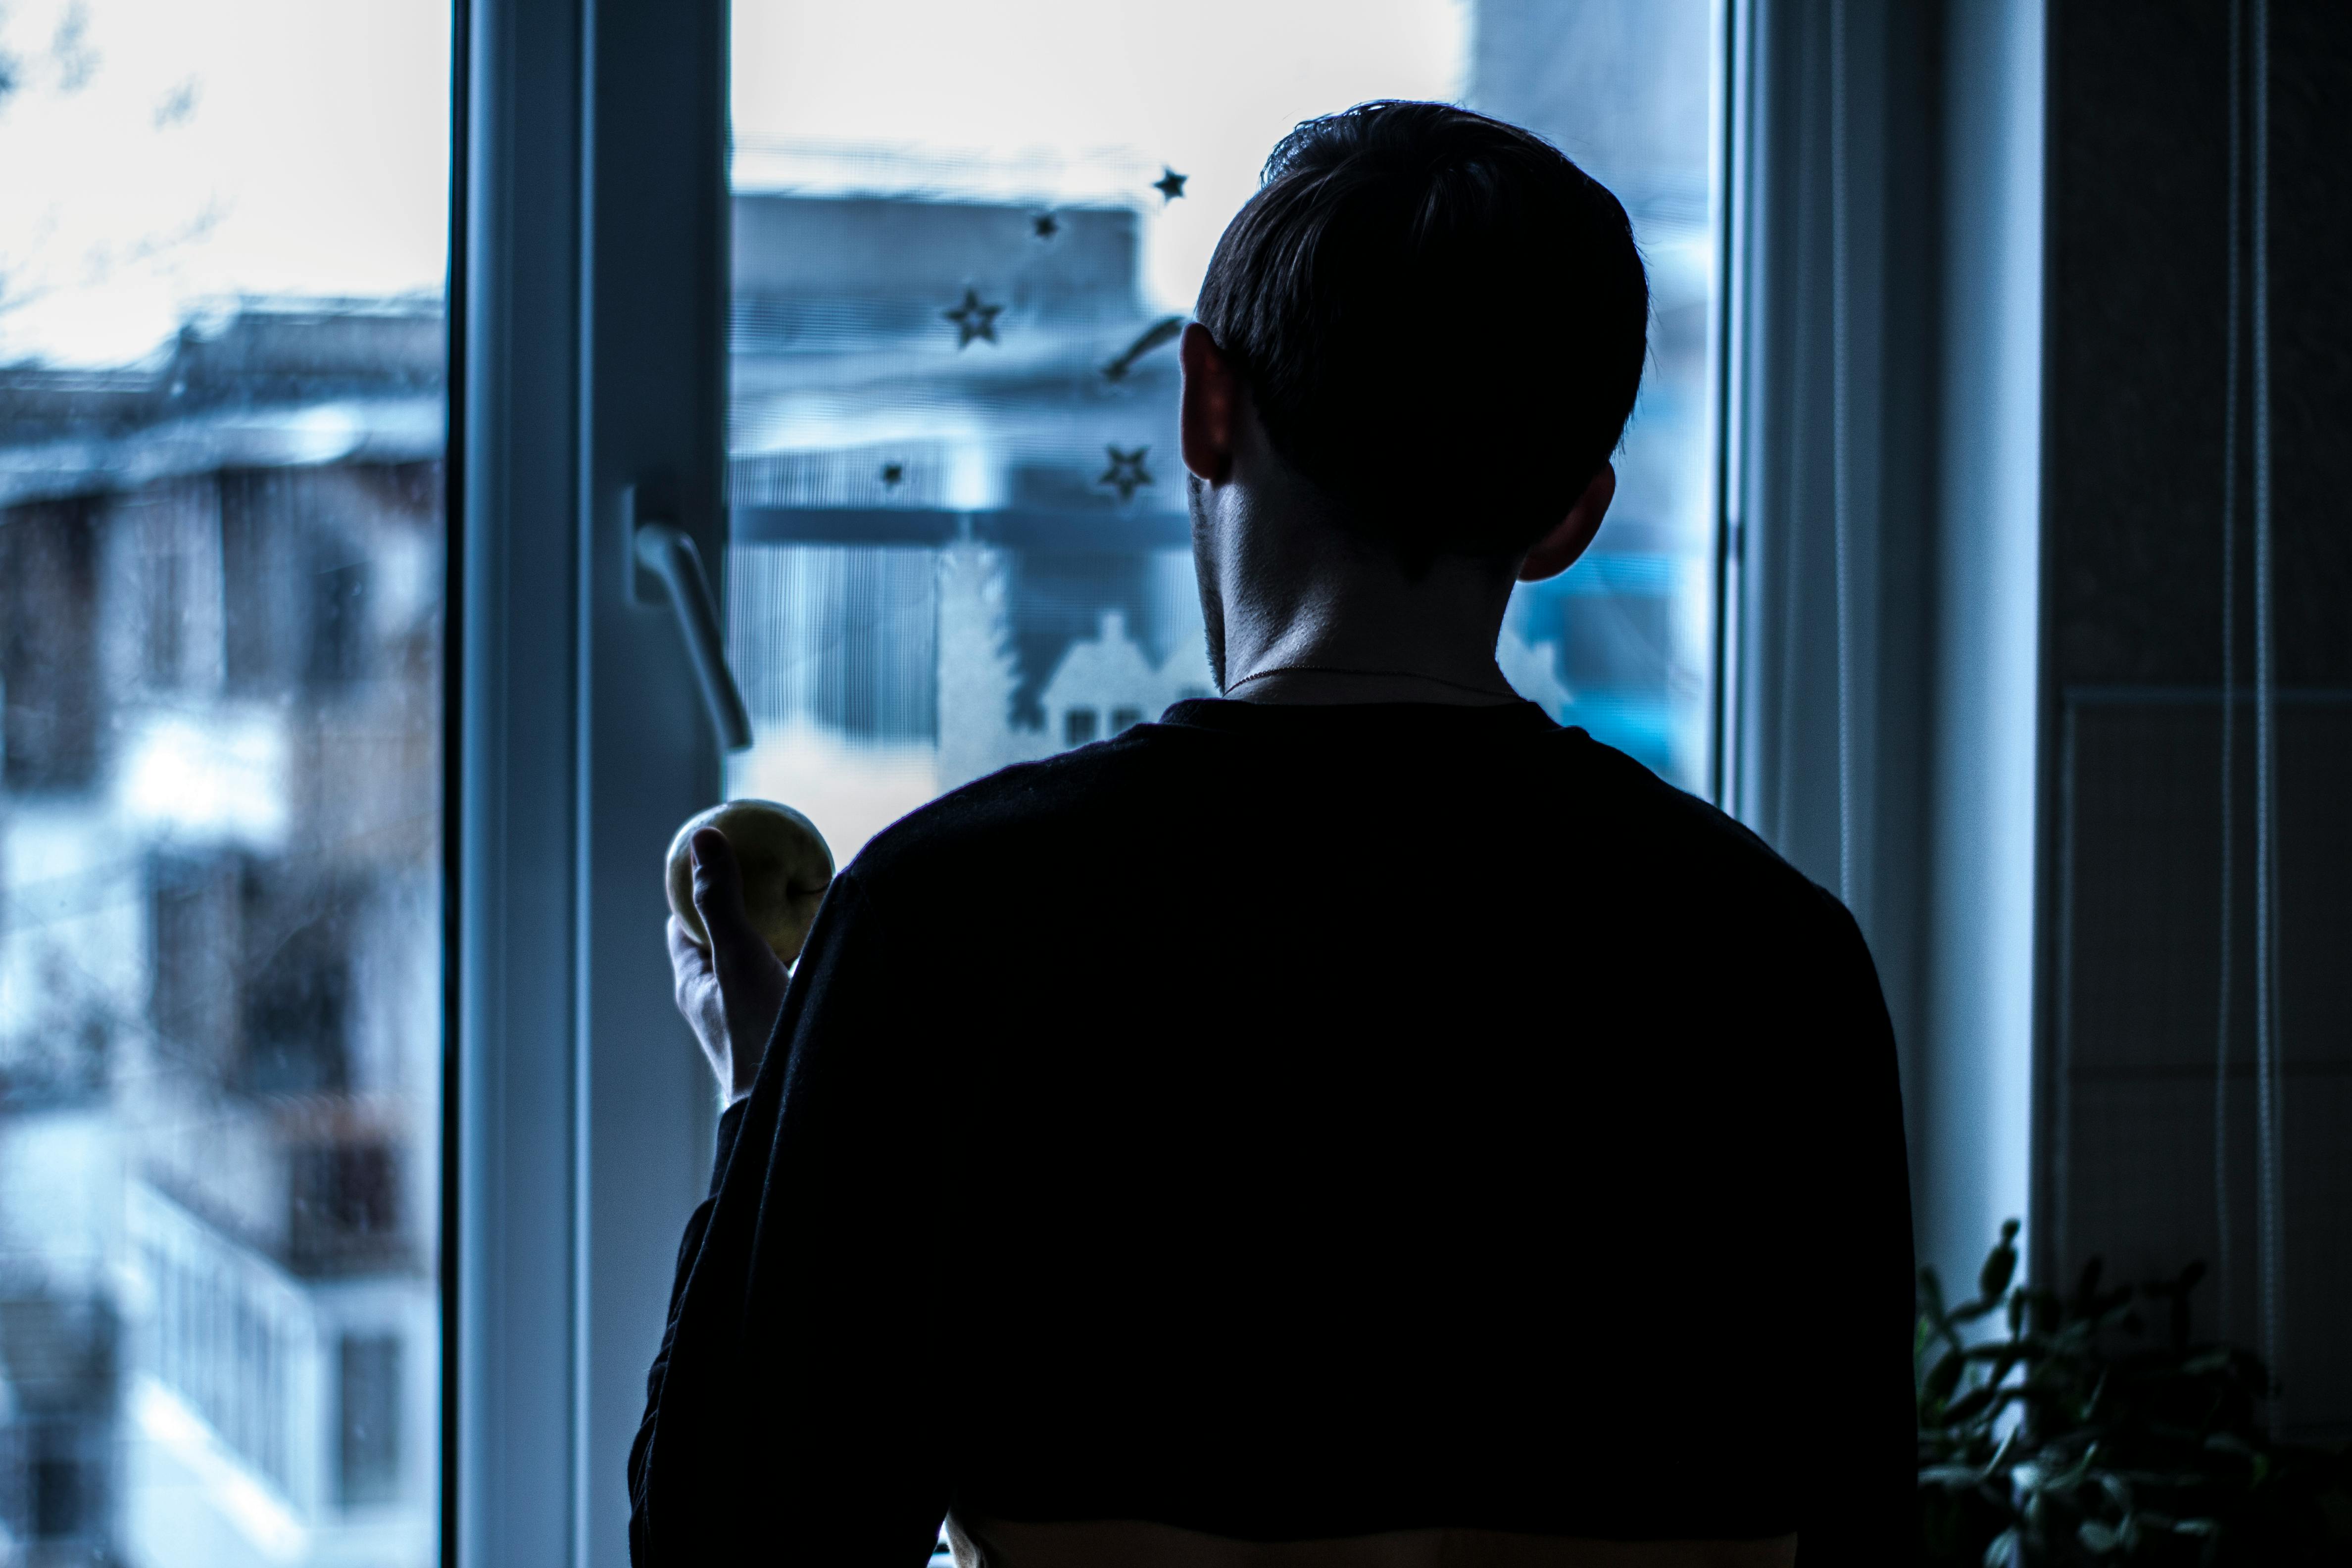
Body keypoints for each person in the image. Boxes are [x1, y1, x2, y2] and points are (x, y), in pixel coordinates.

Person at [630, 101, 1915, 1568]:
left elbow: (729, 1546)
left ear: (1204, 404)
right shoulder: (1776, 960)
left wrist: (771, 1103)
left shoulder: (950, 921)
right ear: (1571, 515)